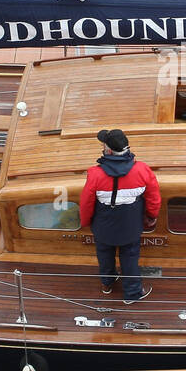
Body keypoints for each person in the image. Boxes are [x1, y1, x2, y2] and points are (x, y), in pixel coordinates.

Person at [79, 129, 160, 304]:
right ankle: (132, 293)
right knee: (130, 257)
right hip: (130, 225)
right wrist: (152, 216)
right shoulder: (142, 170)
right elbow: (154, 198)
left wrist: (85, 221)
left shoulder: (95, 174)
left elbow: (86, 203)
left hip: (103, 226)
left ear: (108, 151)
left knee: (104, 254)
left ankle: (107, 284)